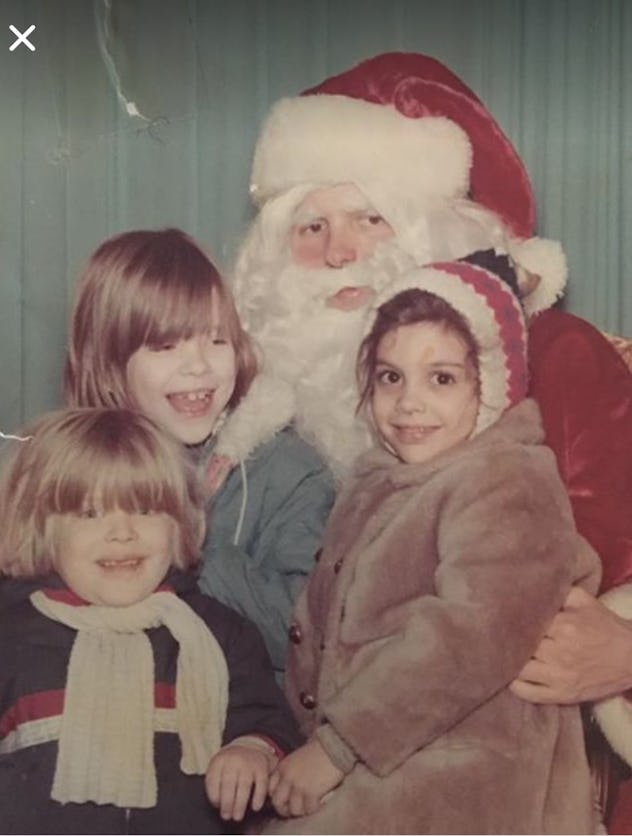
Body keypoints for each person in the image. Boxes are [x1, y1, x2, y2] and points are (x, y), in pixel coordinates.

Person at [213, 52, 632, 825]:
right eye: (312, 226)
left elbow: (491, 609)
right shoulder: (256, 412)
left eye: (371, 217)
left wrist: (628, 652)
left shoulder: (559, 358)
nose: (340, 254)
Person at [261, 261, 600, 834]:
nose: (409, 403)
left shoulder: (506, 478)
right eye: (390, 377)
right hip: (381, 756)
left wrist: (337, 749)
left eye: (441, 379)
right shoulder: (376, 481)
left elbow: (468, 636)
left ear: (492, 384)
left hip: (469, 768)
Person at [0, 407, 301, 834]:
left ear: (179, 523)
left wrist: (251, 749)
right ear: (39, 527)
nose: (123, 533)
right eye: (90, 513)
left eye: (144, 510)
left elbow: (268, 720)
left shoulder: (220, 632)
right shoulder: (11, 635)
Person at [63, 228, 335, 677]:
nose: (198, 365)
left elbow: (303, 639)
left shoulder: (289, 471)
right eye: (166, 345)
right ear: (110, 361)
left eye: (216, 339)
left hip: (244, 726)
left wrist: (191, 538)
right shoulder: (69, 472)